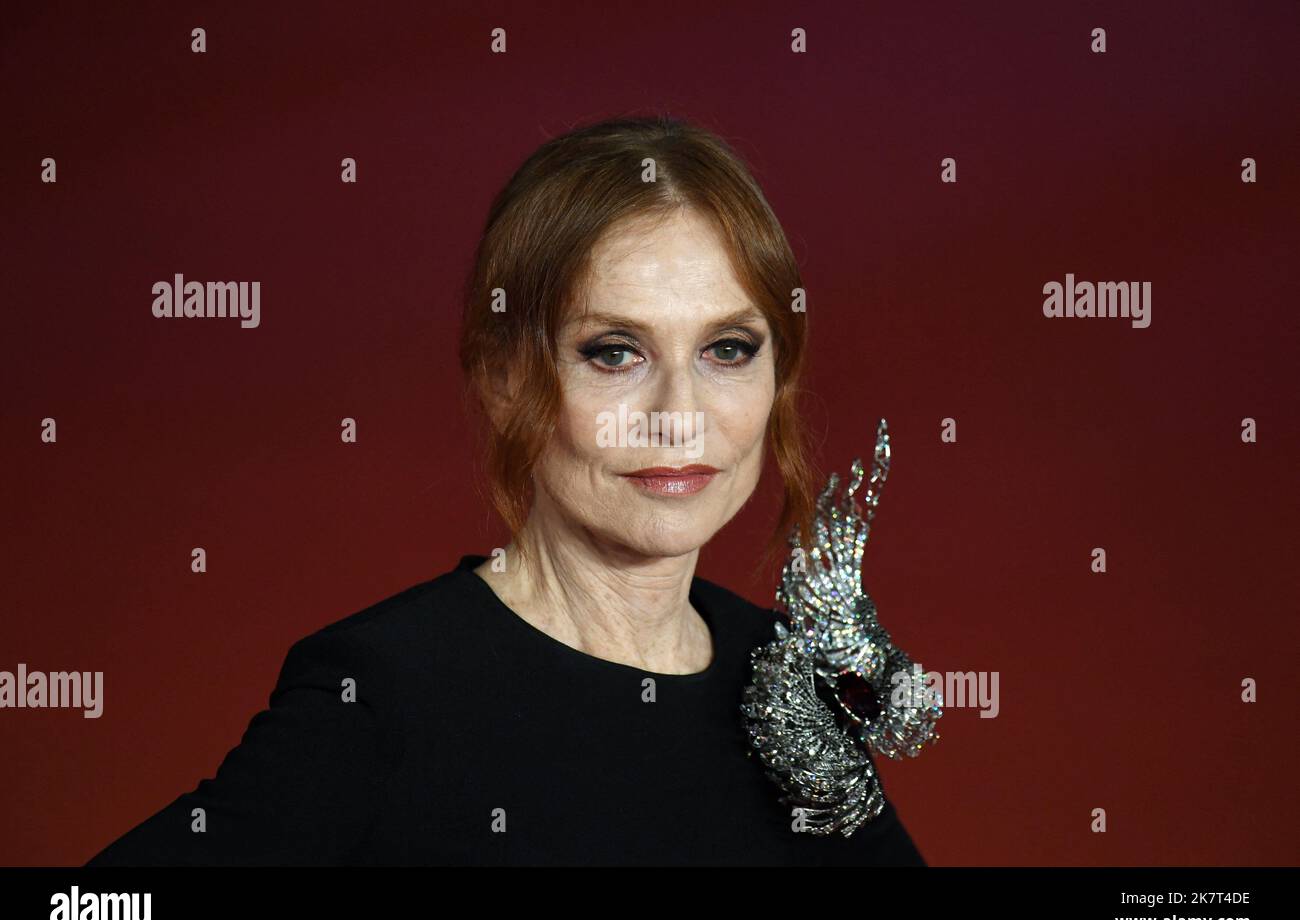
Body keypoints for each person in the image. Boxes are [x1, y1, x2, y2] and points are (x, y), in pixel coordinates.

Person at [86, 115, 927, 865]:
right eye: (614, 351)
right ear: (504, 378)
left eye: (729, 349)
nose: (680, 417)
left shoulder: (791, 678)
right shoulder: (390, 691)